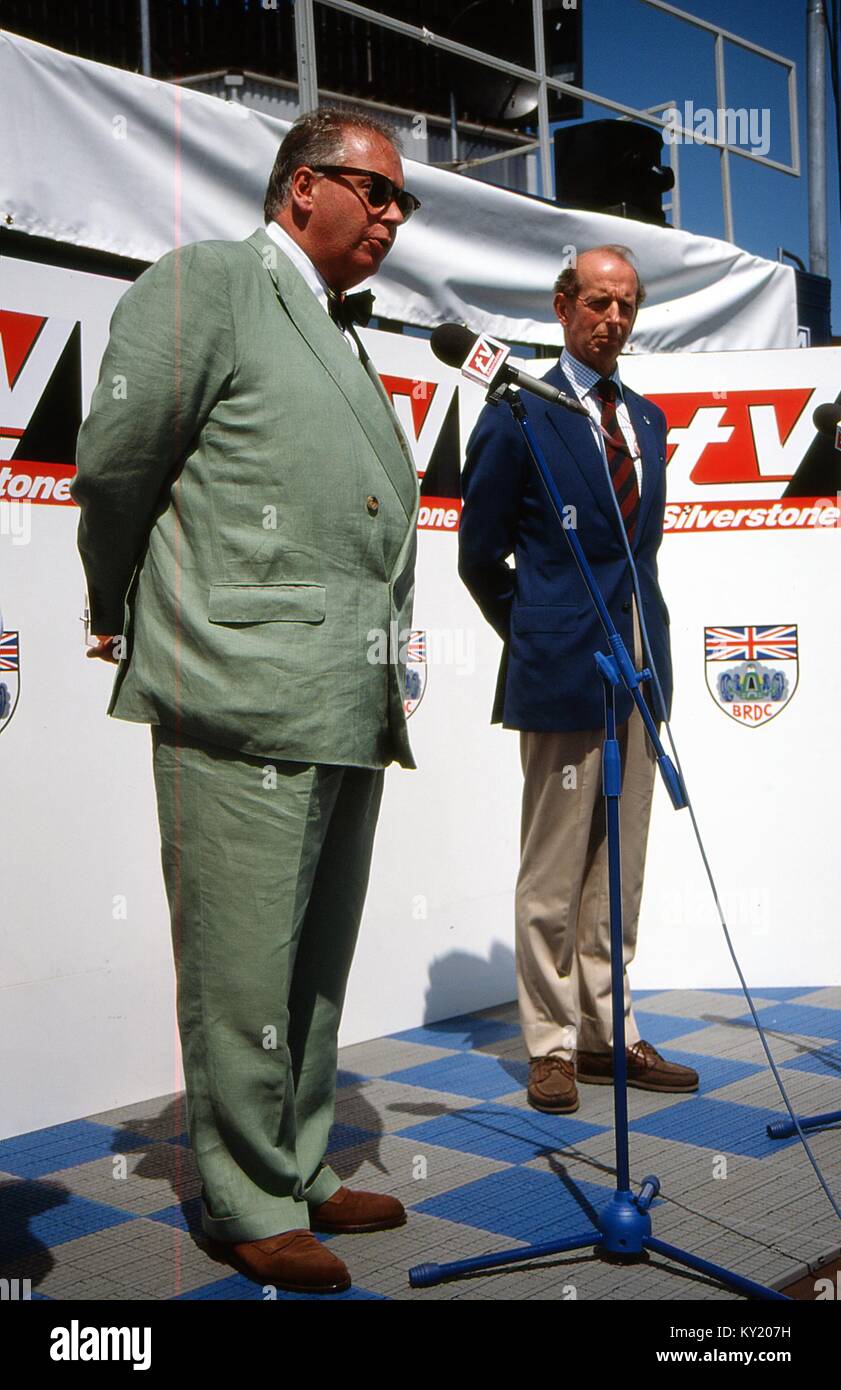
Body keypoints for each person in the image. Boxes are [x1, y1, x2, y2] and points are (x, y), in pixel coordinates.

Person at [71, 108, 421, 1293]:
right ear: (297, 189)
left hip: (343, 694)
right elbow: (118, 458)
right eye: (371, 191)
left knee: (312, 964)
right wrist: (116, 595)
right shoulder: (207, 284)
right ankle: (242, 1195)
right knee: (240, 966)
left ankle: (301, 1164)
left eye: (399, 202)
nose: (389, 216)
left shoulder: (340, 331)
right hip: (234, 686)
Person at [458, 245, 698, 1115]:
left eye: (626, 305)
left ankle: (608, 1030)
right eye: (596, 302)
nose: (613, 320)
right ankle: (550, 1044)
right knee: (554, 864)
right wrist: (540, 630)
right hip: (561, 664)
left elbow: (638, 553)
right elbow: (479, 555)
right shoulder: (520, 411)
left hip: (639, 660)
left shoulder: (646, 419)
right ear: (562, 308)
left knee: (619, 862)